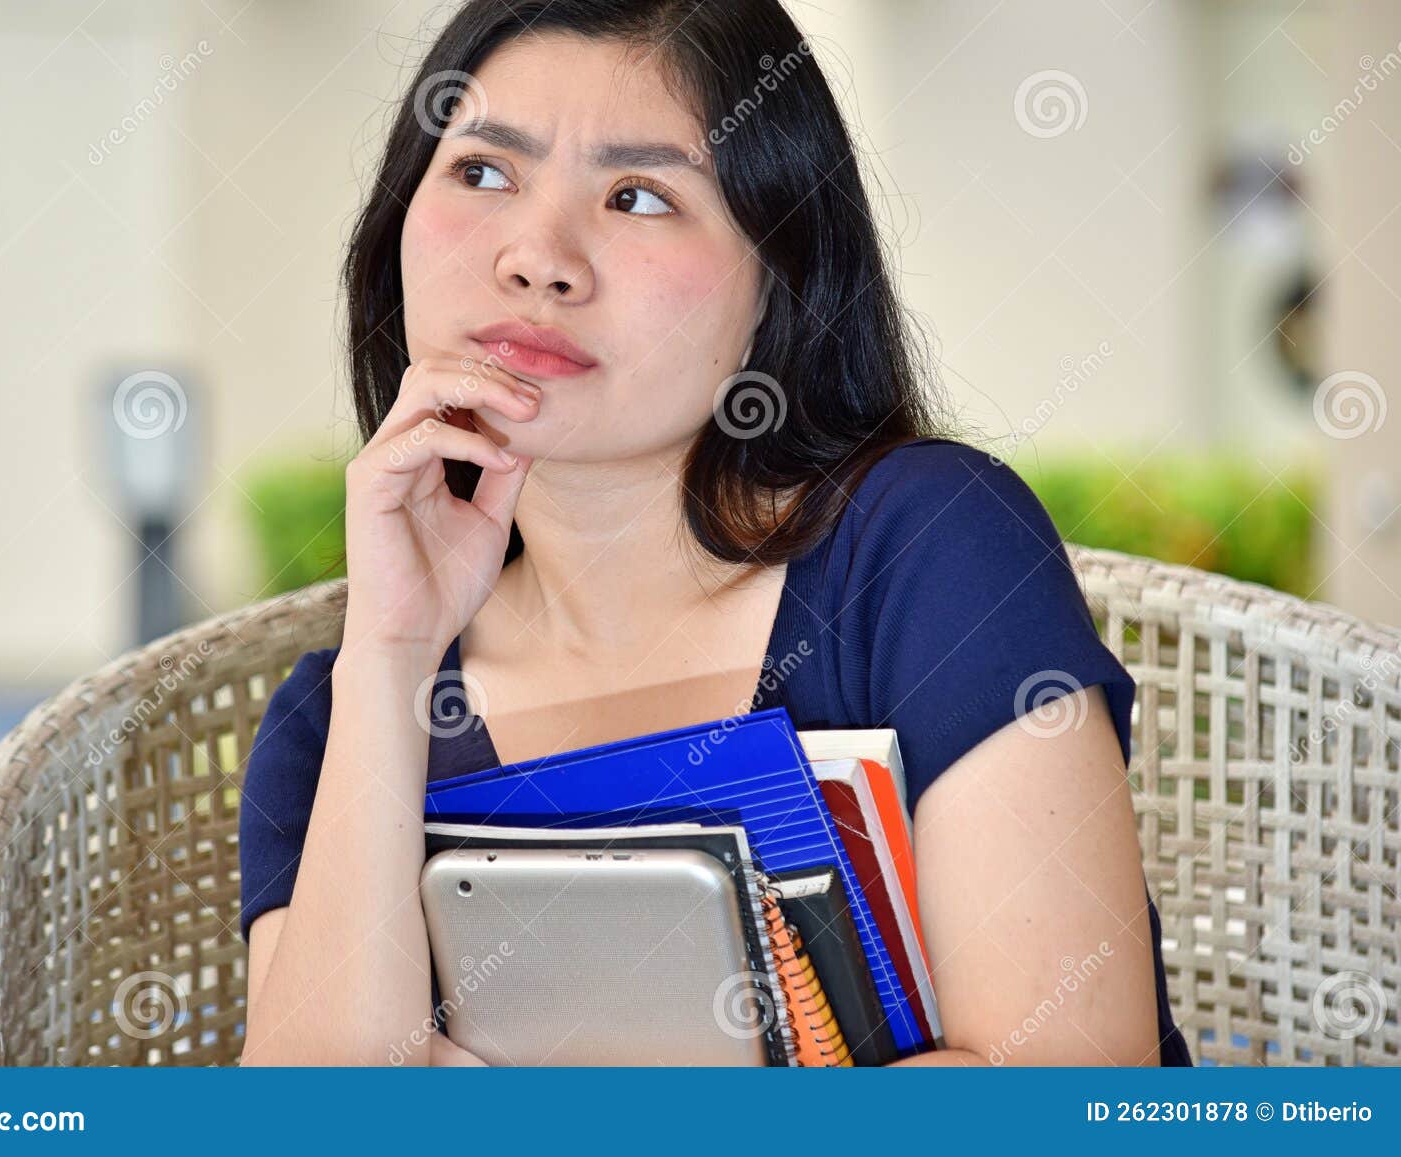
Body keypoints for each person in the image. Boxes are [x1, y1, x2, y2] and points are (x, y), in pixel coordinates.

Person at [236, 0, 1191, 1067]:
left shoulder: (929, 553)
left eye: (638, 196)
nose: (538, 258)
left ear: (778, 284)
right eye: (484, 172)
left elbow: (1070, 1091)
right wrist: (391, 653)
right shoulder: (336, 718)